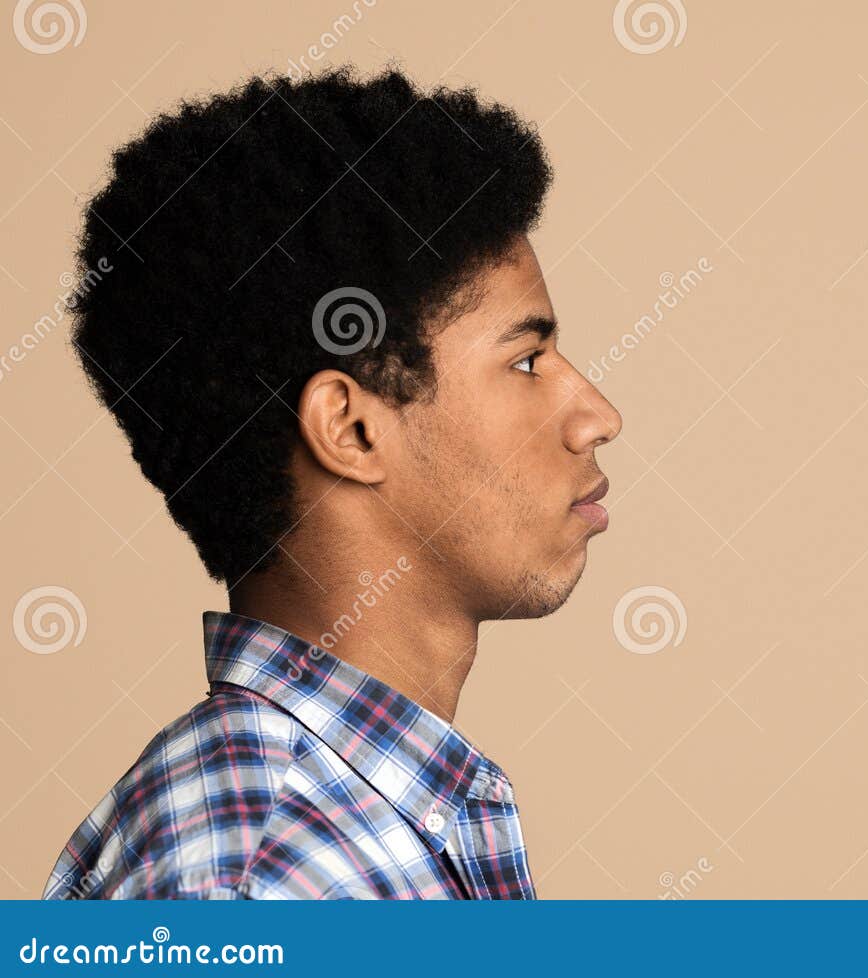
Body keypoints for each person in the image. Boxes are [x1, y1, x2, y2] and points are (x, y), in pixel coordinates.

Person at [40, 67, 621, 899]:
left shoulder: (350, 833)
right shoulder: (265, 884)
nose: (597, 415)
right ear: (350, 430)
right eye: (526, 360)